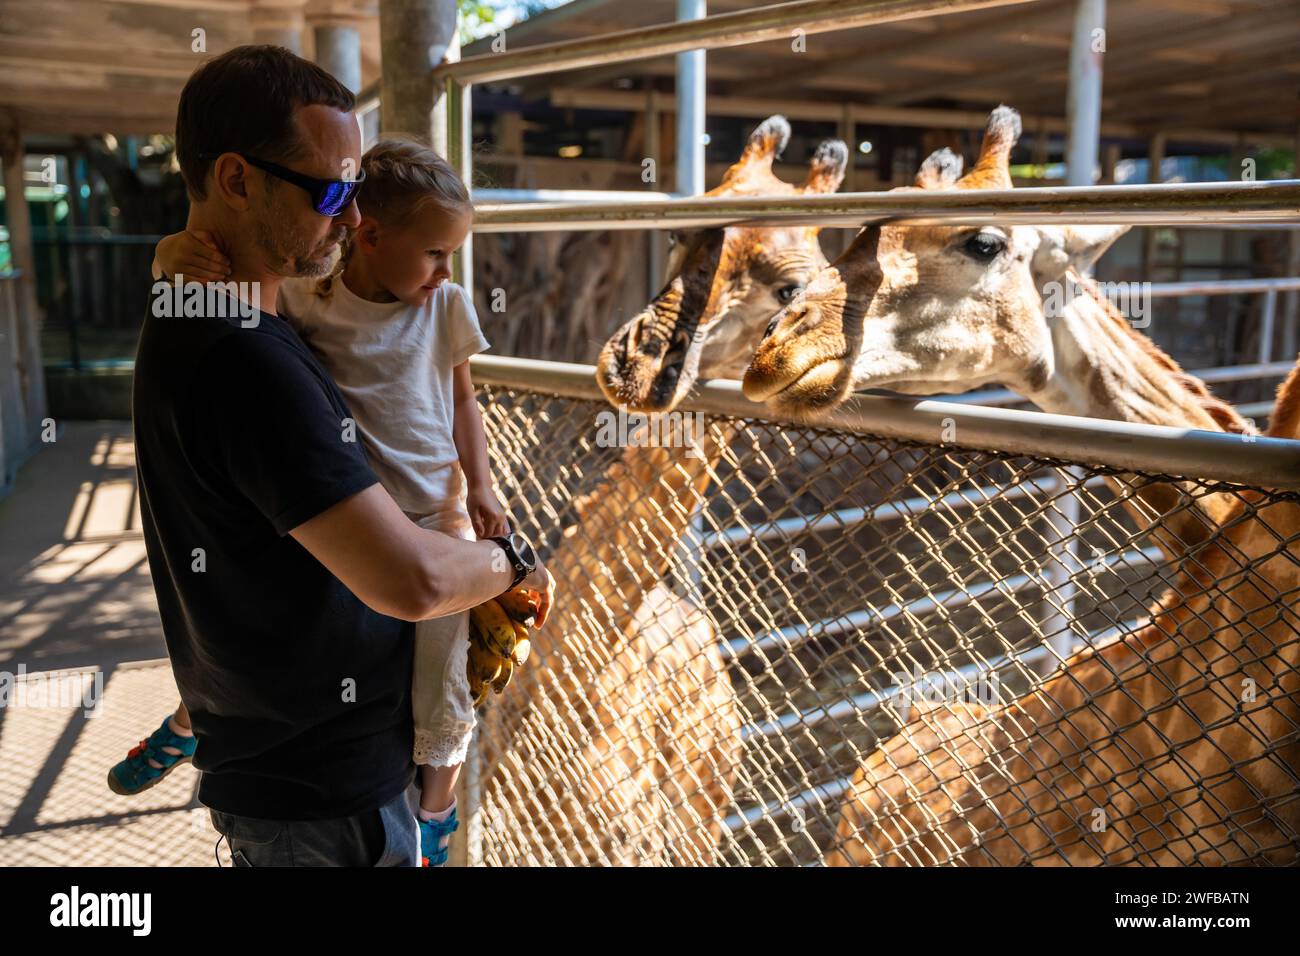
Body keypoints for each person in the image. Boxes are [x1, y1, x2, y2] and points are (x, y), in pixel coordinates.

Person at [129, 45, 553, 867]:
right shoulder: (245, 360)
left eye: (357, 193)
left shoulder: (217, 319)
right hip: (323, 798)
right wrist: (515, 564)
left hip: (296, 771)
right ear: (237, 179)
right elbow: (416, 580)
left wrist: (167, 253)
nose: (355, 218)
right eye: (332, 192)